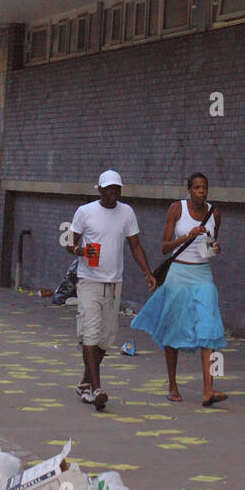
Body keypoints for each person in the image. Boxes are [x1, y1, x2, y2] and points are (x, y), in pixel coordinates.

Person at [132, 172, 228, 407]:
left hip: (203, 274)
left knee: (211, 328)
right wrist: (187, 235)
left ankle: (209, 389)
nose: (201, 191)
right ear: (189, 190)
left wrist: (215, 249)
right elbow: (164, 247)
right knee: (174, 328)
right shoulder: (177, 209)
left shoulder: (215, 212)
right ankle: (172, 385)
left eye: (204, 187)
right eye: (196, 187)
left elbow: (212, 245)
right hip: (179, 273)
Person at [66, 170, 155, 411]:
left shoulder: (126, 212)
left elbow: (135, 246)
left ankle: (85, 383)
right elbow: (70, 243)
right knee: (90, 333)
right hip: (89, 281)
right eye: (109, 188)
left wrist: (147, 272)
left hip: (114, 282)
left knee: (105, 338)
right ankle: (97, 388)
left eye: (117, 188)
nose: (113, 192)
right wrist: (81, 252)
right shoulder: (85, 212)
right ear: (100, 189)